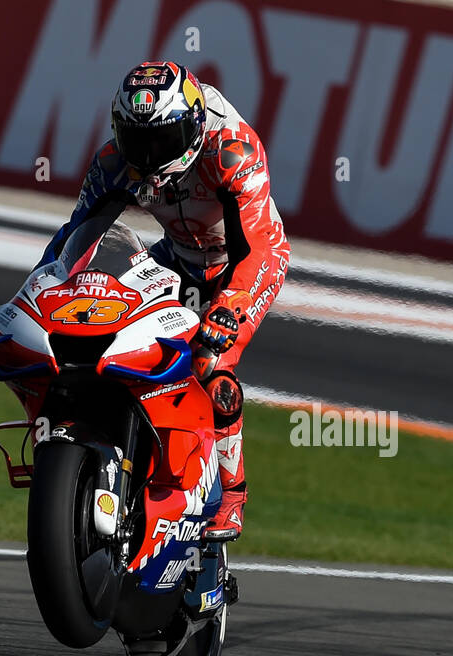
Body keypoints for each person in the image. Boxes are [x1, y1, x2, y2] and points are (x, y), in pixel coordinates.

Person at [38, 61, 290, 541]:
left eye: (164, 141)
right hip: (175, 256)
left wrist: (227, 311)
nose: (150, 157)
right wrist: (40, 294)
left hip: (245, 262)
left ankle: (230, 498)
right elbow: (73, 240)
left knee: (208, 362)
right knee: (120, 340)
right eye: (138, 142)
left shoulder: (232, 150)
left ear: (194, 125)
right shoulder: (114, 161)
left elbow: (253, 247)